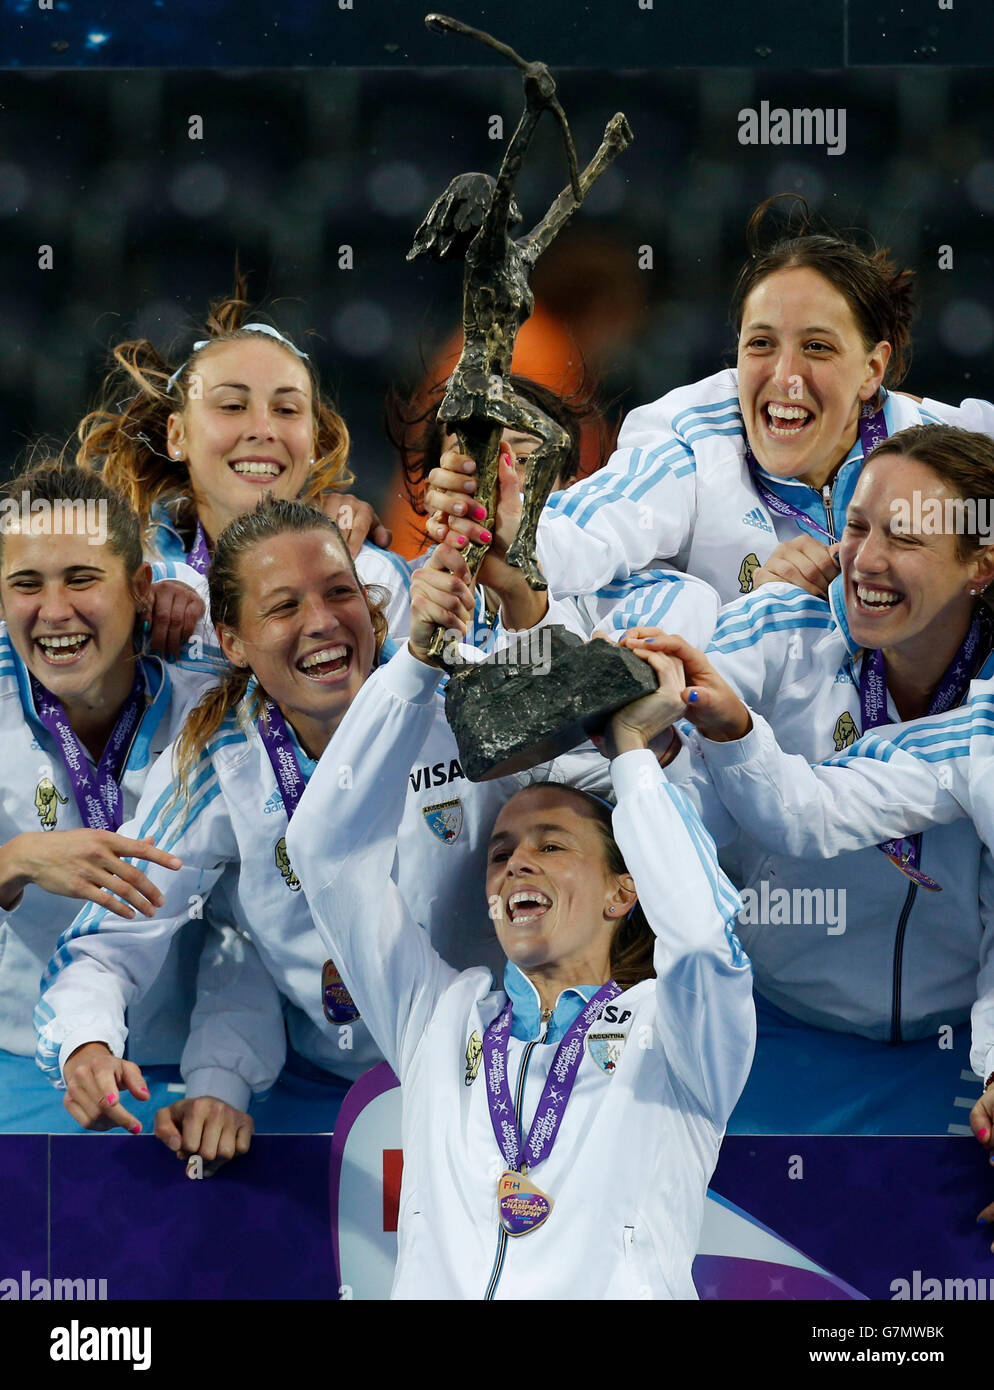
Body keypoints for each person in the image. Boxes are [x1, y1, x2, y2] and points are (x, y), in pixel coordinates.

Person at [35, 499, 614, 1163]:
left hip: (503, 1069)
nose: (320, 622)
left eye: (339, 592)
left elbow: (607, 772)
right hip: (335, 1085)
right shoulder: (219, 762)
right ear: (233, 642)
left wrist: (535, 610)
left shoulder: (461, 692)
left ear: (369, 606)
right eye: (282, 607)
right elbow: (111, 935)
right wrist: (86, 1042)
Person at [283, 535, 755, 1300]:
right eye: (501, 851)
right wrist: (416, 663)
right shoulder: (440, 1017)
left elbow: (704, 939)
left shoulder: (675, 1031)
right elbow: (325, 853)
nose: (517, 863)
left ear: (620, 892)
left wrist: (633, 760)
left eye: (551, 844)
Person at [642, 424, 994, 1133]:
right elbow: (688, 800)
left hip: (951, 1059)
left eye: (904, 537)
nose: (865, 560)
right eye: (857, 527)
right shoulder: (781, 623)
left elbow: (808, 811)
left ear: (979, 568)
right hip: (771, 1033)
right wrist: (662, 744)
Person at [423, 196, 987, 605]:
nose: (785, 377)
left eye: (817, 347)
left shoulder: (941, 452)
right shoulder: (694, 435)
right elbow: (600, 521)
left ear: (873, 369)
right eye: (761, 344)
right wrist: (514, 520)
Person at [0, 463, 224, 1130]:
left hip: (198, 1077)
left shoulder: (211, 704)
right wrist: (16, 860)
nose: (55, 611)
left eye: (82, 578)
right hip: (19, 1071)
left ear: (141, 588)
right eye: (26, 584)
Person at [75, 273, 411, 637]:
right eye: (233, 406)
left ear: (313, 442)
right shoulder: (122, 581)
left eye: (286, 410)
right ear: (177, 435)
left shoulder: (374, 578)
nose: (263, 429)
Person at [399, 373, 720, 650]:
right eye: (473, 455)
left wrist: (523, 596)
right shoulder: (382, 595)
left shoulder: (637, 603)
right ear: (433, 494)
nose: (499, 476)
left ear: (569, 492)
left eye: (522, 459)